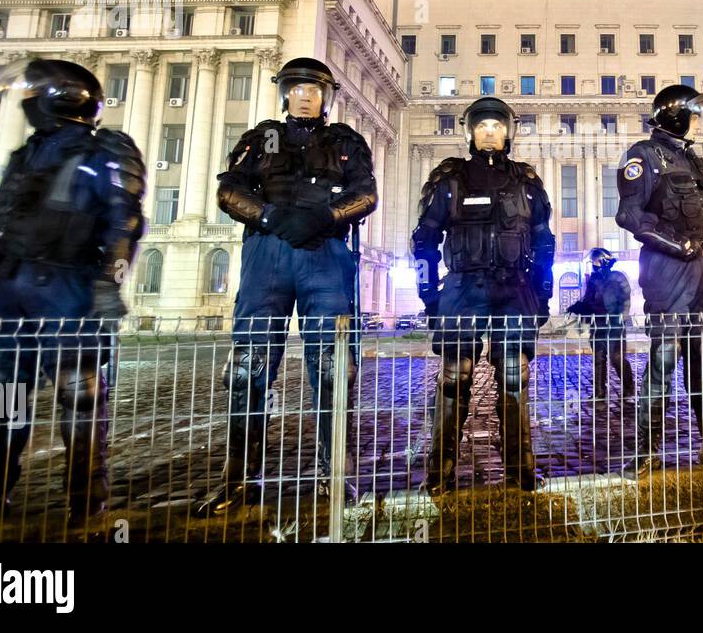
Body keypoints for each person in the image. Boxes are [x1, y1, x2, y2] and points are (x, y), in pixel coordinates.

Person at [0, 59, 144, 524]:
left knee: (80, 393)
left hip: (68, 285)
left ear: (60, 96)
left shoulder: (106, 150)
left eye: (33, 91)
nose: (26, 100)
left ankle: (85, 499)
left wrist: (108, 282)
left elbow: (125, 218)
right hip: (6, 285)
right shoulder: (27, 152)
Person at [198, 57, 376, 515]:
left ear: (326, 97)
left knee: (335, 370)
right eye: (296, 88)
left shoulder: (346, 142)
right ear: (284, 93)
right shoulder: (261, 138)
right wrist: (270, 216)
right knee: (247, 369)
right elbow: (228, 190)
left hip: (326, 256)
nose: (304, 95)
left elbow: (367, 194)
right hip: (267, 254)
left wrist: (326, 216)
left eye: (314, 90)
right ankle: (239, 477)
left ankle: (334, 473)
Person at [413, 96, 554, 492]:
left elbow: (544, 242)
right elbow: (424, 239)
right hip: (462, 288)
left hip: (514, 289)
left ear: (508, 133)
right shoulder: (450, 180)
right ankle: (439, 473)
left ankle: (519, 469)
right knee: (455, 378)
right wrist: (429, 295)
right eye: (482, 127)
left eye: (496, 126)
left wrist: (542, 294)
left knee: (514, 376)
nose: (489, 133)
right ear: (470, 133)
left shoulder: (527, 183)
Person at [615, 84, 703, 475]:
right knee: (662, 362)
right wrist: (679, 246)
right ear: (676, 116)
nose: (697, 122)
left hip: (702, 273)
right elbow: (630, 216)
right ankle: (645, 453)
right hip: (666, 272)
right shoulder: (643, 156)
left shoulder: (692, 159)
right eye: (693, 115)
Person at [567, 248, 635, 399]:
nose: (593, 265)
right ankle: (599, 391)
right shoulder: (593, 280)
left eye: (595, 262)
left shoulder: (618, 277)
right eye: (592, 262)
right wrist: (579, 308)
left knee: (616, 358)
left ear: (604, 261)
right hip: (597, 324)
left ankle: (629, 387)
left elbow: (626, 300)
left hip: (615, 324)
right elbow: (588, 301)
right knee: (598, 358)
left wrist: (621, 318)